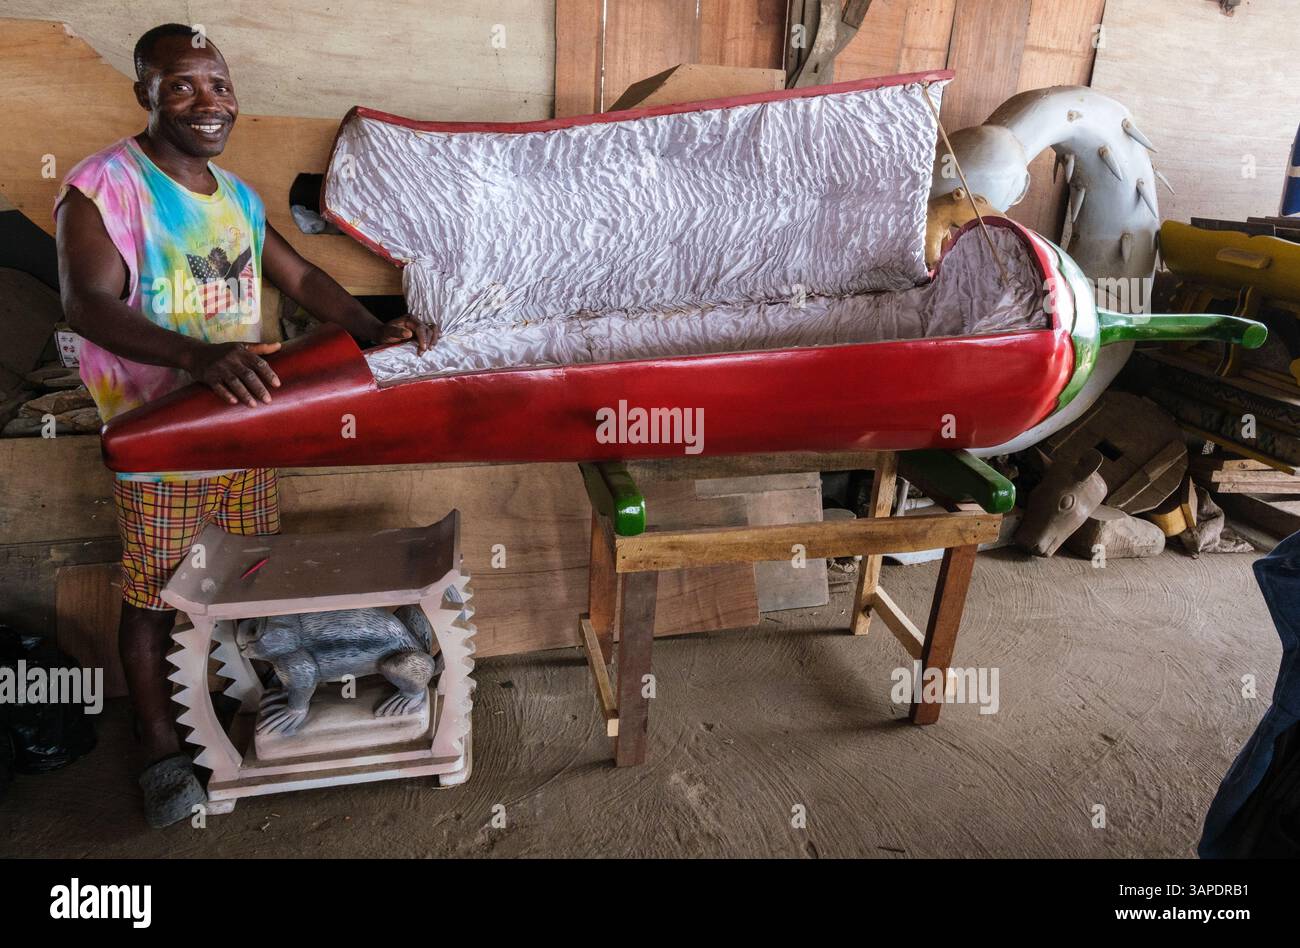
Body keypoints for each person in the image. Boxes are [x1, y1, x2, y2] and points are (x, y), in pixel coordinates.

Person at [54, 23, 434, 827]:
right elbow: (85, 305)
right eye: (183, 85)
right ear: (144, 93)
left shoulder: (236, 199)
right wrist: (198, 359)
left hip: (247, 429)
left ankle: (239, 712)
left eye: (219, 84)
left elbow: (299, 275)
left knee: (241, 580)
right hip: (159, 440)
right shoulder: (103, 185)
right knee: (155, 599)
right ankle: (159, 748)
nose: (208, 103)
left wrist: (374, 330)